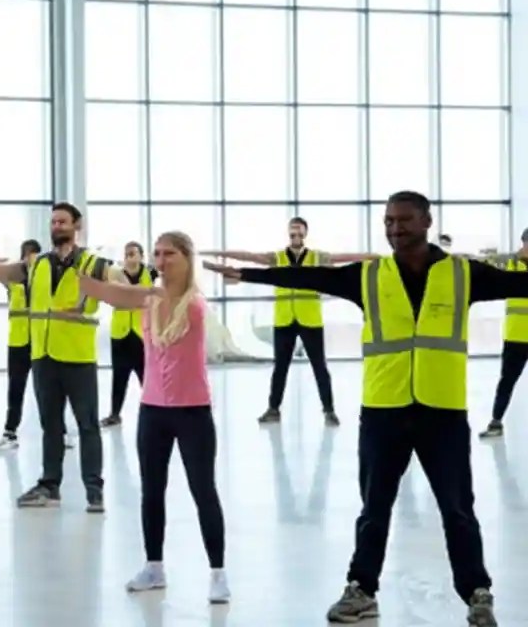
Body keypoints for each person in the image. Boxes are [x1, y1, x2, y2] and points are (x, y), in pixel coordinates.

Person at [202, 191, 509, 627]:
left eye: (403, 220)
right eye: (388, 221)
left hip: (443, 411)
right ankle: (362, 589)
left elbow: (521, 284)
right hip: (384, 410)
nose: (394, 229)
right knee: (374, 507)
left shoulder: (464, 273)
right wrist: (247, 276)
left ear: (426, 221)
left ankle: (478, 592)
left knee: (457, 507)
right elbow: (308, 279)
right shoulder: (369, 275)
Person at [78, 232, 230, 604]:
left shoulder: (194, 303)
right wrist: (80, 270)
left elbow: (132, 296)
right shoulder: (149, 298)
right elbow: (113, 294)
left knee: (203, 491)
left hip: (193, 413)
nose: (161, 261)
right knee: (151, 492)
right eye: (157, 254)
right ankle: (154, 566)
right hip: (153, 412)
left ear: (186, 258)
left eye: (169, 254)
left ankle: (218, 573)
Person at [0, 202, 112, 512]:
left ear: (77, 225)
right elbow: (8, 271)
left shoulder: (91, 263)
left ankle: (94, 489)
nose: (57, 226)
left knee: (87, 424)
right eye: (53, 222)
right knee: (50, 424)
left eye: (63, 221)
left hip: (78, 358)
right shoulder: (38, 264)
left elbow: (119, 279)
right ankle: (50, 486)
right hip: (44, 357)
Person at [202, 217, 375, 427]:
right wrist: (222, 254)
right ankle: (273, 409)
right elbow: (251, 257)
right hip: (284, 320)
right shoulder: (277, 257)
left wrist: (371, 257)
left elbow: (342, 258)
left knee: (319, 366)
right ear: (288, 233)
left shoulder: (316, 257)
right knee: (280, 368)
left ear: (305, 233)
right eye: (293, 232)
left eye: (300, 232)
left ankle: (329, 410)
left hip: (310, 320)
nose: (296, 236)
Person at [474, 228, 528, 439]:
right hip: (516, 337)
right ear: (523, 242)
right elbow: (482, 265)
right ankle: (496, 422)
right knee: (507, 380)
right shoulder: (509, 263)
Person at [0, 239, 43, 452]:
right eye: (27, 255)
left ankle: (60, 433)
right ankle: (10, 433)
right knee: (16, 389)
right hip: (18, 342)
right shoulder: (11, 279)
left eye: (35, 255)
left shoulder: (46, 278)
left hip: (41, 341)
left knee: (47, 391)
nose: (31, 259)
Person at [102, 241, 157, 428]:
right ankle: (114, 414)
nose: (129, 257)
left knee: (146, 375)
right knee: (119, 375)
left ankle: (155, 410)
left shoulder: (151, 273)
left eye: (133, 253)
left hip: (142, 332)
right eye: (126, 254)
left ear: (141, 256)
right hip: (120, 332)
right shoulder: (115, 273)